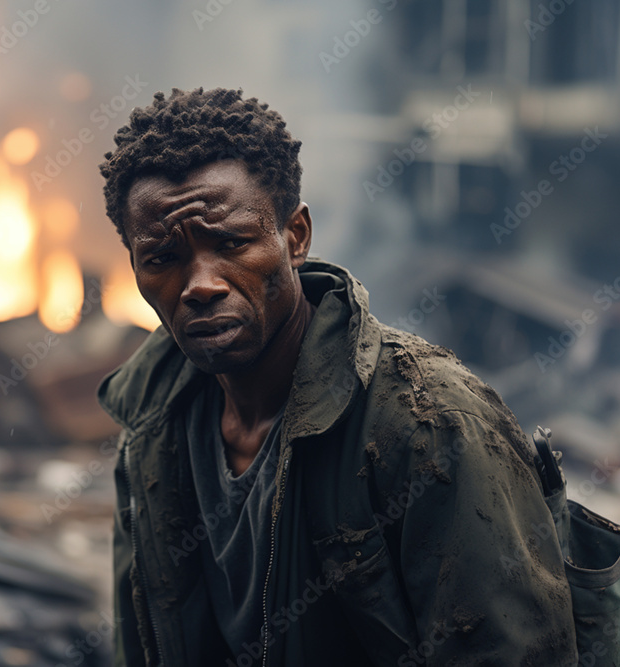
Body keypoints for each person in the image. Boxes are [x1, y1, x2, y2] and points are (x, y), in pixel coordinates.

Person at [96, 87, 576, 666]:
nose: (200, 284)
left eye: (232, 243)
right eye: (163, 258)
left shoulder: (429, 424)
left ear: (294, 238)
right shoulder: (151, 426)